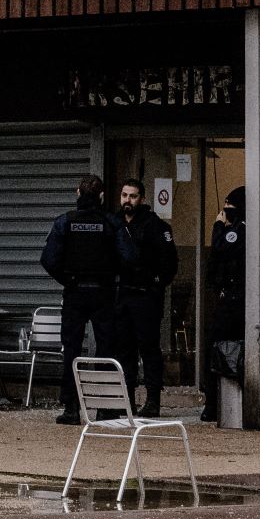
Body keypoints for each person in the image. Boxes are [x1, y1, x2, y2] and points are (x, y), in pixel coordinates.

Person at [39, 174, 132, 424]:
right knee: (107, 350)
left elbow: (48, 259)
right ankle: (105, 408)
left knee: (71, 350)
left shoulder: (64, 222)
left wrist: (67, 280)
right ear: (101, 197)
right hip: (104, 294)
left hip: (75, 294)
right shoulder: (112, 223)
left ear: (77, 193)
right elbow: (129, 257)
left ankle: (71, 408)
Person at [114, 179, 178, 417]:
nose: (127, 200)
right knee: (125, 351)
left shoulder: (154, 225)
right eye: (124, 195)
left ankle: (153, 400)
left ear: (141, 198)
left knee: (149, 349)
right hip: (124, 296)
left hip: (146, 298)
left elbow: (170, 263)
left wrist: (155, 284)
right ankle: (126, 399)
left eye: (132, 196)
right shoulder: (116, 223)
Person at [202, 186, 247, 424]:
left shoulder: (240, 230)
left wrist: (218, 226)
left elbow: (220, 250)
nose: (224, 211)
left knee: (216, 348)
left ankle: (214, 404)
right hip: (231, 300)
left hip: (233, 303)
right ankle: (215, 402)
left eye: (228, 206)